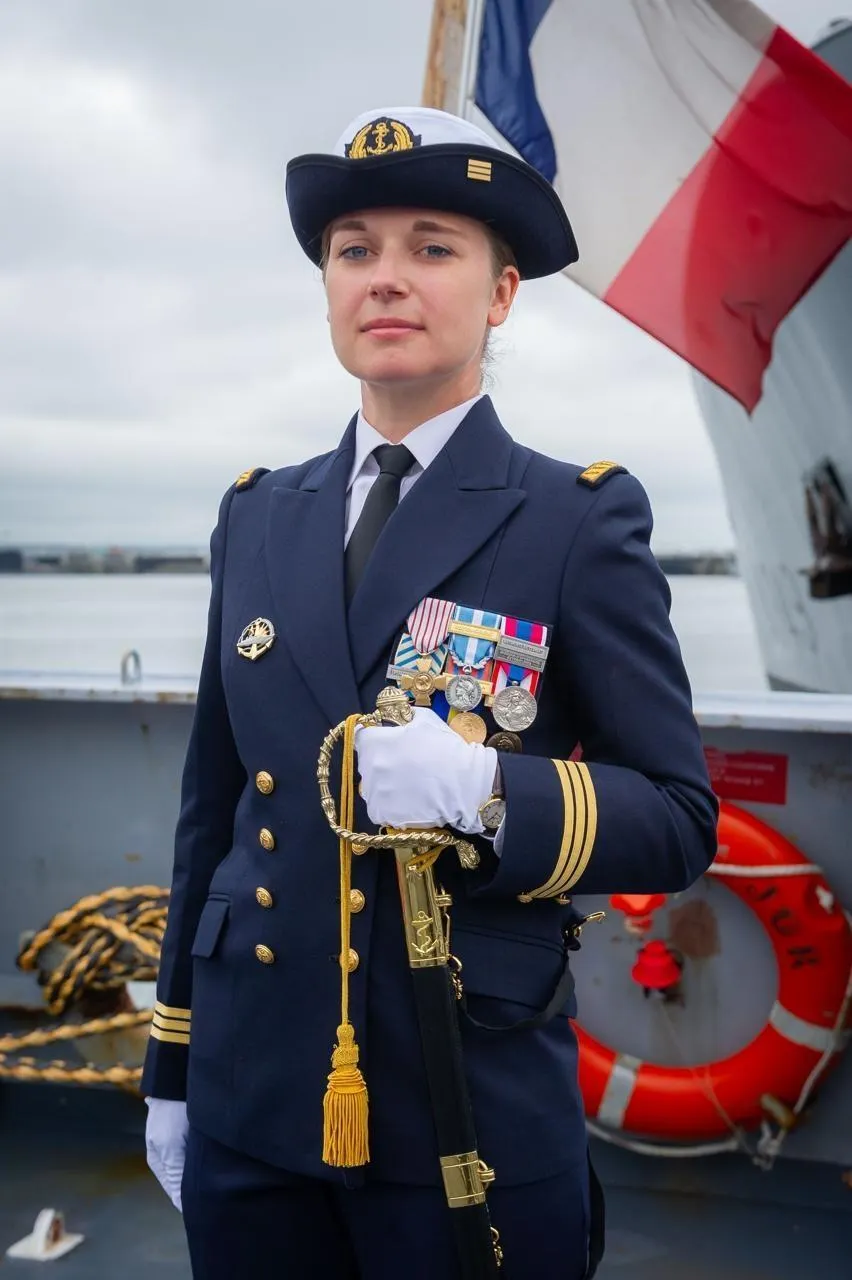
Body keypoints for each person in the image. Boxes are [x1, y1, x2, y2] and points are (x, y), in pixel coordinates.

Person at [143, 105, 719, 1279]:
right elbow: (211, 814)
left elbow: (675, 815)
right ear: (326, 289)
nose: (386, 279)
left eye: (431, 247)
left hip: (464, 1110)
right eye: (355, 250)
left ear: (502, 294)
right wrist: (173, 1071)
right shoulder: (257, 513)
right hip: (252, 1102)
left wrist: (484, 789)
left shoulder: (575, 516)